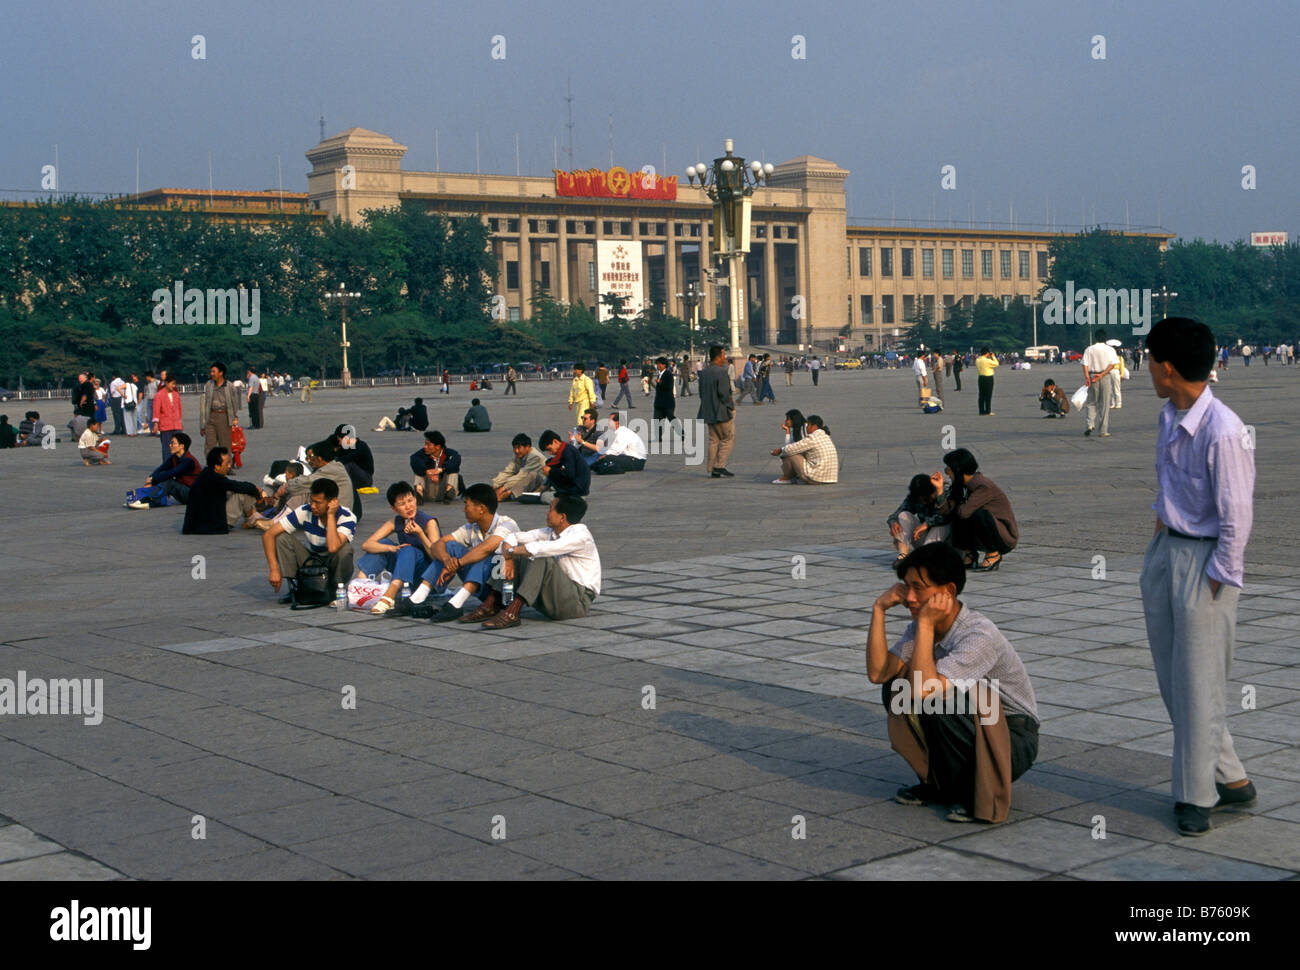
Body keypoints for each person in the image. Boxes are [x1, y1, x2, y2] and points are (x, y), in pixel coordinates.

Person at [1140, 317, 1256, 836]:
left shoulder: (1223, 430)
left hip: (1205, 564)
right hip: (1168, 550)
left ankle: (1196, 797)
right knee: (1176, 680)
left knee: (1198, 683)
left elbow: (1237, 514)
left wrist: (1220, 577)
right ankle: (1231, 777)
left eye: (1148, 361)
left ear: (1167, 368)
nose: (1146, 369)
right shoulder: (1171, 415)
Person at [867, 543, 1039, 824]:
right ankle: (940, 782)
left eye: (918, 587)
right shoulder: (921, 625)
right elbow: (878, 673)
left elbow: (926, 690)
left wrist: (924, 625)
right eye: (905, 586)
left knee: (936, 697)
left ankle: (971, 790)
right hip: (976, 722)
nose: (909, 597)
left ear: (947, 591)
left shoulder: (979, 635)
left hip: (1010, 740)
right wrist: (879, 610)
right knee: (896, 686)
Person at [480, 495, 602, 630]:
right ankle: (494, 603)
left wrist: (510, 551)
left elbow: (543, 549)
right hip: (556, 594)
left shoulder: (581, 536)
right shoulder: (551, 531)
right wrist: (508, 557)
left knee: (541, 557)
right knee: (515, 556)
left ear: (562, 517)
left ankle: (512, 612)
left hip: (577, 601)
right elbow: (513, 536)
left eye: (551, 509)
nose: (547, 513)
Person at [407, 483, 520, 623]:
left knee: (487, 555)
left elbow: (488, 547)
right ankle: (418, 597)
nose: (464, 510)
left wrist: (458, 563)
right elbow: (438, 544)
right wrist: (447, 560)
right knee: (451, 546)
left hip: (504, 592)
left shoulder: (507, 524)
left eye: (467, 505)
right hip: (483, 587)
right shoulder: (471, 528)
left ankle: (456, 603)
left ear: (481, 508)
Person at [263, 477, 357, 601]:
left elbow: (333, 547)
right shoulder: (305, 510)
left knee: (345, 549)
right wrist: (274, 570)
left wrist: (330, 516)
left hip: (332, 560)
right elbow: (268, 535)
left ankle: (334, 590)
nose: (313, 506)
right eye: (312, 501)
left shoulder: (347, 517)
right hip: (311, 559)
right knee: (281, 537)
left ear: (332, 502)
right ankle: (296, 588)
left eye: (318, 502)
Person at [354, 482, 441, 614]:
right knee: (383, 543)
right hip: (405, 572)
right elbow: (367, 545)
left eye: (410, 500)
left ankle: (389, 597)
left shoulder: (429, 522)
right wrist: (391, 548)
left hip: (426, 577)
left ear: (415, 499)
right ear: (394, 509)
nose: (408, 506)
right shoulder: (396, 521)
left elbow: (438, 557)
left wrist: (420, 534)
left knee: (408, 549)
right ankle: (358, 587)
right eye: (402, 504)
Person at [940, 448, 1017, 571]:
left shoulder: (981, 485)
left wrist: (956, 502)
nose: (947, 473)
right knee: (958, 513)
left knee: (975, 513)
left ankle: (993, 553)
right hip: (990, 530)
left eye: (948, 469)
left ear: (958, 470)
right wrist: (940, 493)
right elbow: (945, 512)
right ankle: (970, 554)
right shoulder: (961, 485)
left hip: (1003, 537)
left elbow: (964, 512)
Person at [182, 447, 267, 534]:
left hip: (197, 524)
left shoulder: (206, 474)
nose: (229, 466)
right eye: (227, 464)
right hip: (211, 525)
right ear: (217, 466)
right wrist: (257, 490)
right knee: (242, 494)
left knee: (235, 490)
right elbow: (239, 486)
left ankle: (252, 517)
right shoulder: (215, 479)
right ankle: (253, 519)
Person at [888, 472, 951, 561]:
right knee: (903, 516)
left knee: (941, 524)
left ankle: (926, 556)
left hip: (946, 541)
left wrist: (927, 523)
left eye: (926, 499)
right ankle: (902, 555)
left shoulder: (946, 492)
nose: (924, 502)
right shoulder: (915, 497)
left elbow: (948, 515)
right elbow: (896, 514)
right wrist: (893, 522)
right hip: (925, 540)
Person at [130, 432, 201, 507]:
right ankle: (141, 498)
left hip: (193, 495)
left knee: (169, 482)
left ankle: (146, 501)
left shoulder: (188, 461)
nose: (170, 445)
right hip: (184, 491)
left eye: (173, 443)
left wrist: (153, 479)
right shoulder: (174, 458)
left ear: (181, 446)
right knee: (162, 478)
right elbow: (161, 469)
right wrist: (150, 479)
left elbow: (172, 473)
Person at [698, 344, 736, 479]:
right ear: (719, 356)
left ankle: (711, 468)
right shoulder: (721, 372)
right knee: (727, 438)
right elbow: (724, 393)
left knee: (713, 440)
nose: (725, 357)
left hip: (708, 411)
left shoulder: (704, 372)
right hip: (721, 411)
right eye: (724, 354)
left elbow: (701, 393)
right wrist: (731, 407)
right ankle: (719, 466)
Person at [771, 414, 838, 484]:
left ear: (814, 426)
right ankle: (795, 476)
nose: (806, 428)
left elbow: (792, 448)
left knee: (789, 452)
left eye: (808, 425)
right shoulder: (825, 436)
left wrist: (780, 450)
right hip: (830, 478)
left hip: (817, 477)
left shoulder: (813, 437)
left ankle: (787, 477)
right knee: (792, 451)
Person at [1082, 329, 1119, 438]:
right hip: (1105, 377)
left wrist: (1087, 377)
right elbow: (1113, 364)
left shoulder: (1089, 349)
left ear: (1096, 338)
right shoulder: (1110, 350)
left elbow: (1085, 364)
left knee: (1091, 402)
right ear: (1105, 338)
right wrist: (1102, 374)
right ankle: (1103, 431)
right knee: (1104, 404)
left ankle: (1090, 424)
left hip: (1093, 376)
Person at [410, 430, 461, 504]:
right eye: (425, 444)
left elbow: (455, 462)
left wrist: (440, 470)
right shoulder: (421, 454)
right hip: (428, 490)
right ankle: (419, 494)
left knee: (453, 472)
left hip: (443, 490)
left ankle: (449, 493)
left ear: (437, 447)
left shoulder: (451, 453)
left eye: (428, 445)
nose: (425, 447)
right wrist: (427, 472)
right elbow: (415, 461)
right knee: (419, 472)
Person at [200, 362, 241, 454]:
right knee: (209, 445)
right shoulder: (209, 385)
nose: (211, 374)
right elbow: (204, 405)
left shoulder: (229, 386)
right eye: (211, 372)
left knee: (225, 444)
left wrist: (234, 417)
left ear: (221, 373)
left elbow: (235, 404)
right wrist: (202, 425)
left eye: (214, 372)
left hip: (224, 417)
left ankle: (226, 466)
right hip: (210, 417)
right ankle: (211, 466)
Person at [493, 433, 548, 501]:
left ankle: (508, 494)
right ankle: (507, 493)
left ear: (527, 447)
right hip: (526, 482)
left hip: (541, 483)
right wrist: (495, 485)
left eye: (519, 448)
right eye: (514, 448)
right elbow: (508, 471)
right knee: (509, 479)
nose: (516, 451)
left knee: (531, 475)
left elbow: (521, 475)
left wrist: (502, 489)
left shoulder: (535, 457)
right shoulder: (520, 456)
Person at [539, 429, 590, 497]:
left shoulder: (567, 452)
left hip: (577, 490)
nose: (550, 453)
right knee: (549, 463)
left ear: (555, 441)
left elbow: (569, 475)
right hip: (575, 487)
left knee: (545, 497)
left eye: (549, 449)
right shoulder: (565, 449)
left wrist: (551, 472)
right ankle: (545, 488)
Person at [329, 424, 375, 494]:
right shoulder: (345, 447)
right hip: (354, 477)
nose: (340, 443)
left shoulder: (361, 446)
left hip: (365, 479)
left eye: (340, 440)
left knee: (347, 464)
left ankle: (342, 485)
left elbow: (345, 459)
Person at [153, 374, 184, 463]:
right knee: (167, 447)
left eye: (175, 384)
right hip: (165, 426)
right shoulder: (159, 395)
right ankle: (167, 466)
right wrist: (156, 424)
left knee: (179, 447)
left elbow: (179, 409)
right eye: (172, 384)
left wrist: (180, 423)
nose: (173, 386)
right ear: (166, 383)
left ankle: (178, 465)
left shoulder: (176, 394)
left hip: (177, 425)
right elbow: (156, 410)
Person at [652, 356, 676, 444]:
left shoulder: (668, 374)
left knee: (671, 419)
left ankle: (681, 433)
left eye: (658, 364)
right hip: (659, 403)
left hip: (667, 402)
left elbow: (669, 387)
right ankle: (658, 437)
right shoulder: (660, 374)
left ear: (663, 365)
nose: (657, 366)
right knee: (657, 420)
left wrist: (660, 383)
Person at [975, 347, 998, 415]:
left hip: (981, 378)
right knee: (988, 395)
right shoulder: (987, 360)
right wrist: (993, 356)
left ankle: (981, 411)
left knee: (981, 395)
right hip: (988, 378)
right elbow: (996, 363)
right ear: (987, 353)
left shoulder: (977, 360)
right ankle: (988, 411)